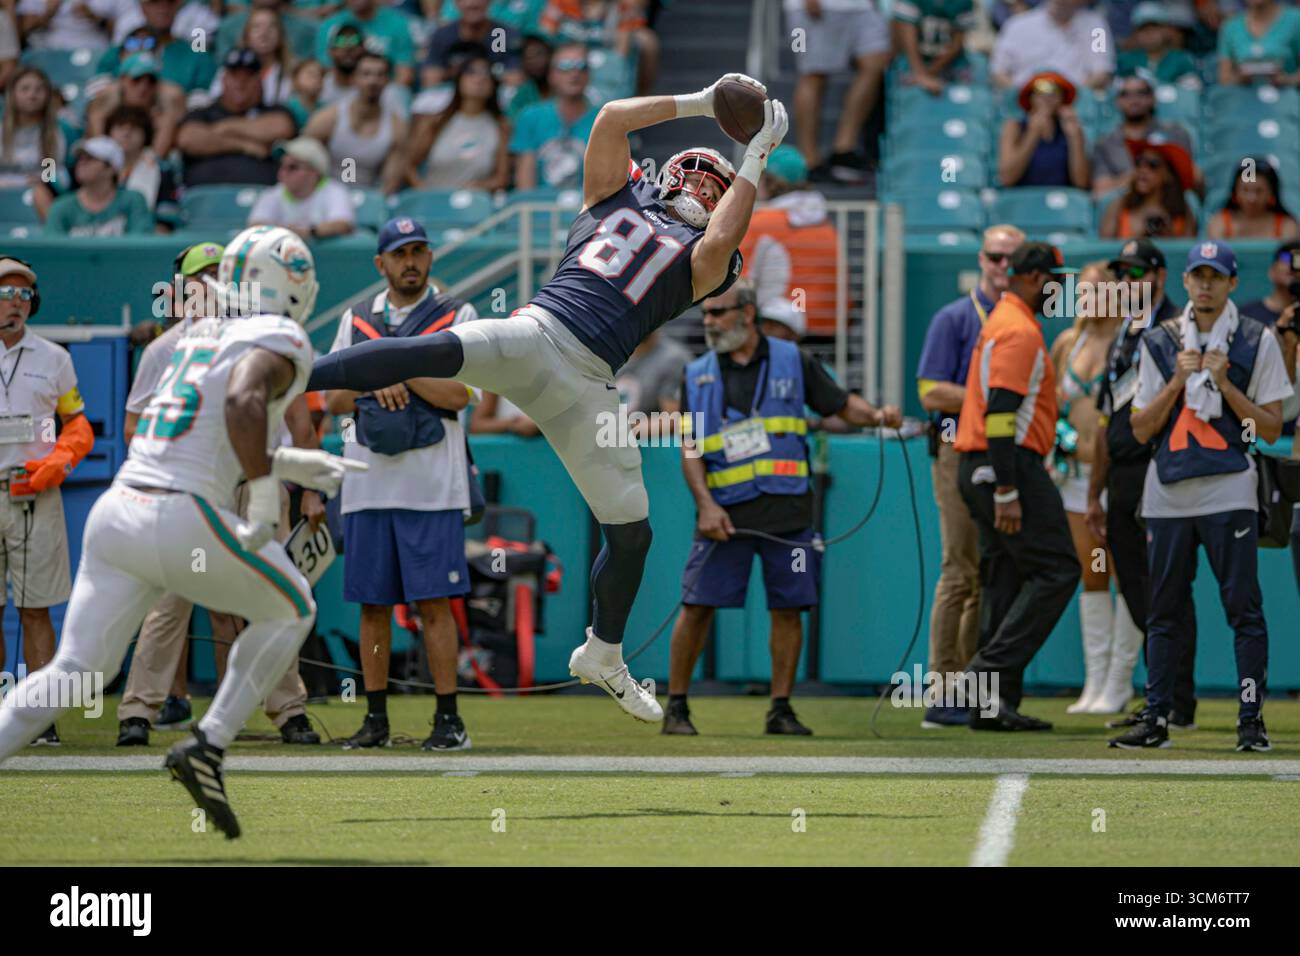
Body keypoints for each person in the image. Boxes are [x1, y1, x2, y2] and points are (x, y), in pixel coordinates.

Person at [309, 73, 789, 724]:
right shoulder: (610, 197)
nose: (706, 188)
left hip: (590, 384)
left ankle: (603, 651)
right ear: (667, 176)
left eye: (717, 185)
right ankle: (298, 372)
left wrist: (754, 156)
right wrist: (703, 104)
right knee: (431, 347)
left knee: (633, 531)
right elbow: (613, 118)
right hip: (538, 333)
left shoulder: (708, 259)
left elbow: (724, 242)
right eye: (698, 176)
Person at [0, 228, 360, 839]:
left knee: (72, 668)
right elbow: (245, 404)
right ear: (290, 279)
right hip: (177, 514)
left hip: (119, 512)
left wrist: (290, 465)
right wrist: (269, 491)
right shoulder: (280, 334)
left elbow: (201, 428)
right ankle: (209, 744)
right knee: (293, 605)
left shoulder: (197, 334)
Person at [664, 277, 900, 736]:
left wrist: (875, 416)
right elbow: (689, 447)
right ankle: (676, 707)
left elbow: (838, 404)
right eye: (706, 315)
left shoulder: (795, 361)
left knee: (789, 609)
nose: (709, 323)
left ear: (747, 314)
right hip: (724, 516)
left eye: (718, 313)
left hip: (788, 516)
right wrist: (705, 506)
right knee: (696, 607)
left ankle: (780, 708)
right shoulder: (696, 374)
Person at [116, 242, 325, 748]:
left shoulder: (267, 339)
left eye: (219, 274)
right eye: (200, 277)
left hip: (257, 484)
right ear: (181, 289)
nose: (211, 284)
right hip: (193, 488)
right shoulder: (165, 349)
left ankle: (288, 709)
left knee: (274, 594)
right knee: (170, 600)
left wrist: (311, 491)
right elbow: (133, 428)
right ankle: (138, 710)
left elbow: (299, 420)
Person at [1113, 241, 1293, 752]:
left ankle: (1251, 719)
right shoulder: (1159, 341)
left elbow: (1273, 424)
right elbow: (1141, 428)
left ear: (1233, 283)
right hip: (1168, 491)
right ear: (1186, 281)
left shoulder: (1256, 340)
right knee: (1163, 609)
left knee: (1243, 607)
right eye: (1199, 275)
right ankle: (1156, 717)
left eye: (1217, 276)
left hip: (1229, 486)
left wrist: (1225, 385)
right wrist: (1179, 380)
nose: (1207, 284)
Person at [325, 218, 480, 751]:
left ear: (430, 256)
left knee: (434, 602)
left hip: (433, 487)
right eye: (399, 253)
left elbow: (460, 396)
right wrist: (380, 380)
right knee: (372, 605)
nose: (410, 261)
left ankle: (448, 718)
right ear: (380, 264)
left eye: (419, 250)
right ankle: (375, 718)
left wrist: (398, 371)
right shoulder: (356, 319)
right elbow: (332, 400)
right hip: (367, 485)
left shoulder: (458, 315)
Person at [954, 241, 1081, 730]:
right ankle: (984, 674)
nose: (1060, 289)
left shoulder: (1006, 322)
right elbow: (1003, 414)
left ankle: (992, 704)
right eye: (1055, 279)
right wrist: (1007, 487)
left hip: (988, 463)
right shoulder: (1018, 329)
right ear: (1031, 278)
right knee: (1058, 569)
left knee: (1005, 575)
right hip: (1004, 464)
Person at [1087, 238, 1198, 729]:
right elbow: (1106, 418)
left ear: (1158, 276)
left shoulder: (1178, 327)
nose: (1127, 282)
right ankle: (1160, 695)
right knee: (1135, 586)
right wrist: (1095, 491)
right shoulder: (1122, 335)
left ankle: (1179, 701)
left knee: (1168, 585)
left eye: (1137, 272)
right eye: (1122, 273)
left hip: (1162, 464)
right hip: (1124, 473)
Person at [915, 224, 1024, 728]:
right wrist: (993, 396)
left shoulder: (1018, 318)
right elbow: (931, 393)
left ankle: (973, 686)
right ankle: (942, 688)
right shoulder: (955, 317)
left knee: (986, 573)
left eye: (1013, 258)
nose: (1004, 266)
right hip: (959, 450)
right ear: (982, 260)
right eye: (997, 257)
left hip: (1002, 453)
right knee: (960, 568)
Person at [0, 256, 94, 747]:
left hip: (34, 491)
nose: (15, 302)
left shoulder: (53, 357)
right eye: (6, 292)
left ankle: (39, 719)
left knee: (36, 608)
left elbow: (77, 422)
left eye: (23, 294)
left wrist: (60, 461)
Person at [1048, 261, 1133, 714]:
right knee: (1092, 575)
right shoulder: (1067, 341)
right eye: (1082, 290)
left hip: (1116, 478)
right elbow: (1050, 403)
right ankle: (1095, 681)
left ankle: (1120, 680)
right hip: (1074, 478)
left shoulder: (1130, 340)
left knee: (1126, 575)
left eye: (1097, 289)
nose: (1087, 297)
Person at [784, 0, 892, 184]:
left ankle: (844, 148)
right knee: (814, 74)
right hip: (821, 6)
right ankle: (809, 160)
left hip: (862, 6)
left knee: (876, 63)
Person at [737, 145, 839, 338]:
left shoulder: (761, 222)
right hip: (831, 329)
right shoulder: (827, 225)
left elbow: (739, 281)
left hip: (781, 331)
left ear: (769, 181)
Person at [176, 48, 298, 188]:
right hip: (205, 198)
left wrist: (223, 128)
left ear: (259, 81)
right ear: (223, 79)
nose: (241, 83)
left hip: (262, 197)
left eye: (248, 76)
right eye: (234, 75)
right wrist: (245, 146)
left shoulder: (274, 110)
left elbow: (282, 127)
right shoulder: (203, 113)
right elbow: (188, 139)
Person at [395, 52, 508, 191]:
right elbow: (407, 166)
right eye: (471, 72)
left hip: (474, 206)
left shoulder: (501, 127)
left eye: (486, 73)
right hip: (431, 203)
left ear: (493, 85)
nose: (479, 78)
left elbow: (501, 178)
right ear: (458, 80)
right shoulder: (435, 122)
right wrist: (423, 190)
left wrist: (479, 186)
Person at [304, 51, 405, 190]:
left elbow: (390, 181)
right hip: (326, 195)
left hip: (369, 199)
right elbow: (302, 161)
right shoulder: (328, 118)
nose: (373, 81)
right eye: (366, 74)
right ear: (354, 79)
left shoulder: (396, 126)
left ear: (387, 80)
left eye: (380, 75)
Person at [1090, 72, 1194, 197]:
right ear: (1117, 101)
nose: (1134, 99)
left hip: (1168, 203)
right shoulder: (1105, 143)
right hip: (1123, 207)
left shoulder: (1175, 133)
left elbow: (1189, 180)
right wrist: (1139, 177)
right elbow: (1100, 192)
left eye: (1141, 93)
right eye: (1125, 94)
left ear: (1153, 99)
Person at [509, 41, 597, 191]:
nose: (574, 74)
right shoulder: (530, 116)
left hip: (588, 211)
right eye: (565, 67)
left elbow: (605, 184)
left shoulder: (605, 119)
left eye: (581, 67)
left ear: (589, 75)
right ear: (552, 75)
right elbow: (525, 186)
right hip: (540, 210)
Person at [91, 0, 216, 93]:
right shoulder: (117, 52)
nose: (163, 7)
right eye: (154, 1)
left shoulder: (197, 56)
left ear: (178, 6)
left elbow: (202, 104)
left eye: (170, 2)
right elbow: (98, 95)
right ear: (142, 6)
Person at [991, 0, 1115, 91]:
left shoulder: (1097, 26)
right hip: (1026, 103)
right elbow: (998, 72)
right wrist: (1025, 97)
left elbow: (1102, 72)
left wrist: (1070, 96)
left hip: (1075, 106)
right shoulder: (1016, 25)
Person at [247, 136, 355, 238]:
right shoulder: (273, 193)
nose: (283, 172)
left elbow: (342, 224)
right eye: (282, 166)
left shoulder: (335, 191)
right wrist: (291, 233)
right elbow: (255, 225)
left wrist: (309, 232)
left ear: (314, 171)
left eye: (292, 167)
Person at [45, 136, 155, 236]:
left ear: (111, 168)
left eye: (90, 159)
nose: (82, 163)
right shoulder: (61, 206)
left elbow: (140, 247)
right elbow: (52, 253)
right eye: (80, 158)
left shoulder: (133, 201)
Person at [997, 70, 1089, 189]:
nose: (1047, 97)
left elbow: (1081, 183)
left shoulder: (1071, 130)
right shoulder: (1014, 127)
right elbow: (1007, 178)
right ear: (1030, 97)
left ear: (1063, 99)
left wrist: (1075, 139)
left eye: (1055, 92)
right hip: (1023, 201)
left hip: (1061, 201)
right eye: (1040, 91)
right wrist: (1032, 134)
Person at [85, 52, 186, 159]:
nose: (143, 87)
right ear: (122, 80)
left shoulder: (164, 109)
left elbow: (157, 160)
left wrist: (167, 121)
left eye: (151, 81)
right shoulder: (106, 103)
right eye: (136, 80)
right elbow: (98, 153)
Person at [0, 66, 64, 220]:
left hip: (37, 198)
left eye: (39, 89)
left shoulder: (54, 134)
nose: (32, 95)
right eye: (25, 89)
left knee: (41, 194)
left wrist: (46, 180)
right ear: (12, 94)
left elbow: (53, 176)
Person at [1098, 140, 1197, 239]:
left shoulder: (1183, 210)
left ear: (1168, 174)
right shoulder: (1118, 206)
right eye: (1138, 162)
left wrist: (1170, 236)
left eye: (1153, 165)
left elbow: (1189, 251)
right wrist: (1140, 237)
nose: (1143, 169)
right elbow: (1104, 249)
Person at [422, 0, 523, 91]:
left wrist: (468, 73)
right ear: (456, 3)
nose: (472, 3)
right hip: (452, 95)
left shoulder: (503, 34)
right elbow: (430, 78)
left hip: (493, 97)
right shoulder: (443, 35)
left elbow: (514, 78)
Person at [105, 104, 180, 226]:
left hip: (145, 236)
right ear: (109, 133)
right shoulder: (96, 167)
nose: (126, 133)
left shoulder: (162, 169)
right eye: (120, 127)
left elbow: (166, 218)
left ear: (145, 134)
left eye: (134, 128)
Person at [316, 0, 416, 88]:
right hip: (339, 90)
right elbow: (324, 69)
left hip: (384, 92)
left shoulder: (398, 23)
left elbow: (404, 74)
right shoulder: (330, 26)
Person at [208, 5, 294, 106]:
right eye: (256, 27)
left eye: (272, 26)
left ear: (280, 36)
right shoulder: (230, 68)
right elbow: (214, 100)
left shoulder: (292, 72)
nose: (264, 33)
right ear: (247, 36)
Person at [890, 0, 976, 94]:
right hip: (913, 62)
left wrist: (929, 73)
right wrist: (921, 75)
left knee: (962, 95)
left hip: (950, 64)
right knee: (907, 91)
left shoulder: (963, 2)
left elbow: (956, 46)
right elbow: (907, 41)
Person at [1206, 159, 1300, 241]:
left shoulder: (1287, 226)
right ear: (1235, 192)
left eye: (1259, 191)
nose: (1252, 198)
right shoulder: (1220, 223)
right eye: (1245, 190)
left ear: (1271, 193)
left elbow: (1291, 256)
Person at [1217, 0, 1300, 86]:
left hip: (1288, 95)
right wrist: (1240, 78)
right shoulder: (1230, 26)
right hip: (1243, 96)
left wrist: (1287, 80)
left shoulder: (1296, 20)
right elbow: (1224, 78)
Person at [1116, 3, 1198, 83]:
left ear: (1166, 30)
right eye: (1143, 29)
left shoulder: (1182, 60)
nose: (1149, 33)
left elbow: (1191, 91)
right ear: (1135, 33)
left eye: (1154, 28)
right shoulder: (1125, 61)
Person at [16, 0, 132, 51]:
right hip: (49, 52)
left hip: (95, 52)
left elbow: (125, 32)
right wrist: (48, 13)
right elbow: (20, 31)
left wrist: (95, 17)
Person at [1241, 240, 1300, 327]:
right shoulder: (1247, 315)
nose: (1291, 266)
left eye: (1297, 260)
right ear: (1272, 271)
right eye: (1286, 258)